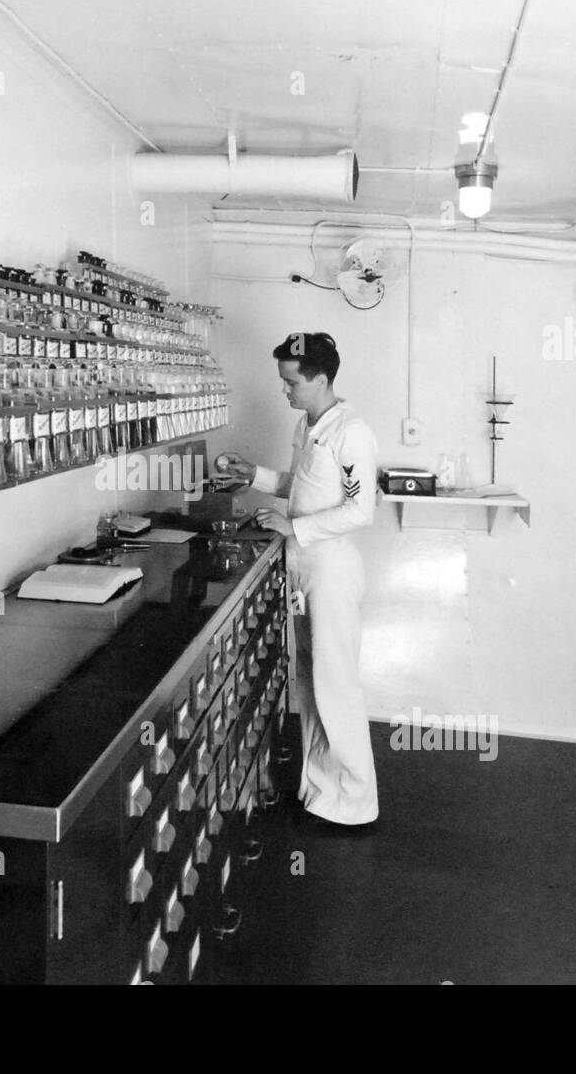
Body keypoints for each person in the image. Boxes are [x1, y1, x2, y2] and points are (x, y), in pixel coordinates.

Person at [217, 332, 380, 826]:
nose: (284, 391)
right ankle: (320, 793)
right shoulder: (307, 426)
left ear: (321, 379)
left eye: (291, 382)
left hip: (331, 568)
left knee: (336, 686)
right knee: (309, 684)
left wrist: (295, 526)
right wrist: (255, 477)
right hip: (303, 564)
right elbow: (302, 486)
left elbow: (360, 509)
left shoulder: (351, 432)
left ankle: (356, 802)